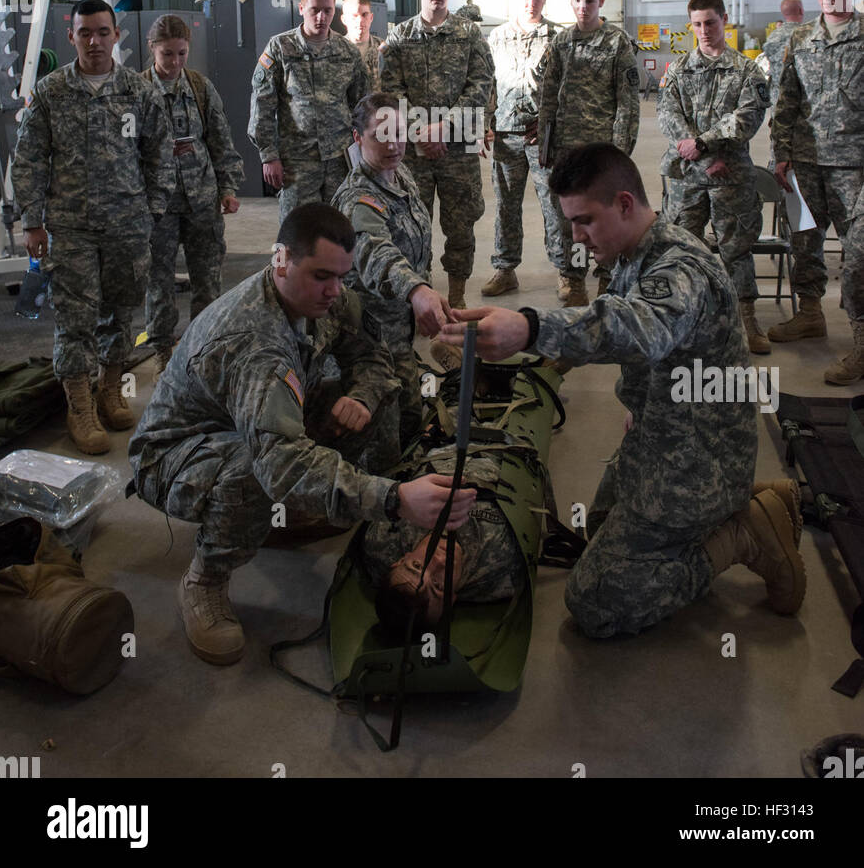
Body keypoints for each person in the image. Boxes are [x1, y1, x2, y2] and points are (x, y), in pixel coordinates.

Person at [436, 143, 805, 639]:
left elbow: (637, 327)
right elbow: (611, 325)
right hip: (664, 434)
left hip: (695, 460)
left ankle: (739, 536)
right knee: (597, 531)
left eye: (585, 220)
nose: (577, 236)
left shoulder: (679, 269)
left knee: (594, 602)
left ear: (625, 203)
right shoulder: (638, 253)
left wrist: (527, 327)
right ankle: (743, 504)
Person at [128, 203, 476, 666]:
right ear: (281, 260)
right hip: (173, 455)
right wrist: (392, 499)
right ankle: (205, 579)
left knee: (382, 397)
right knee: (258, 466)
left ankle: (296, 510)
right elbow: (280, 461)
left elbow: (373, 358)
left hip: (248, 420)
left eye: (341, 276)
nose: (334, 290)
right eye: (320, 276)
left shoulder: (323, 296)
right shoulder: (254, 344)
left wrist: (361, 397)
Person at [10, 0, 174, 454]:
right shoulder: (51, 91)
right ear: (72, 36)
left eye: (103, 32)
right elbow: (29, 160)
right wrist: (32, 222)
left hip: (127, 224)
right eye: (86, 33)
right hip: (71, 226)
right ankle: (79, 404)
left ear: (116, 35)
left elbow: (159, 153)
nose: (95, 41)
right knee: (75, 319)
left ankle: (109, 389)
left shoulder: (138, 92)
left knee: (121, 312)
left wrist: (153, 210)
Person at [332, 93, 454, 444]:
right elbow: (376, 254)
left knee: (411, 419)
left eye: (399, 132)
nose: (394, 144)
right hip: (370, 343)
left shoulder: (398, 174)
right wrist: (416, 291)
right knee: (383, 439)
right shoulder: (358, 199)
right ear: (358, 138)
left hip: (399, 333)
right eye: (381, 135)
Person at [657, 0, 771, 354]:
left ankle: (745, 319)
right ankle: (684, 315)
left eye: (710, 22)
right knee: (681, 248)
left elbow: (747, 119)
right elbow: (668, 115)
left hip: (730, 176)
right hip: (688, 178)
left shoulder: (746, 71)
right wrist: (701, 154)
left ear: (725, 20)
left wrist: (704, 144)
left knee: (736, 250)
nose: (704, 31)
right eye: (697, 24)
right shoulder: (678, 70)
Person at [379, 0, 493, 309]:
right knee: (413, 225)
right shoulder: (400, 36)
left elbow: (482, 83)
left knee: (461, 224)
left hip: (459, 146)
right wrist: (421, 130)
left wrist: (445, 126)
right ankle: (421, 293)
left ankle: (457, 297)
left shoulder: (469, 34)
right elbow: (390, 89)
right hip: (415, 151)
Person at [770, 0, 864, 384]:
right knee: (804, 242)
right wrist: (781, 151)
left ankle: (862, 343)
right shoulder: (802, 38)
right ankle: (810, 314)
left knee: (859, 255)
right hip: (805, 163)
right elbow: (786, 99)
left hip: (854, 167)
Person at [141, 15, 244, 376]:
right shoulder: (137, 91)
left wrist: (228, 187)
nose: (175, 62)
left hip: (202, 200)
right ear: (152, 49)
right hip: (158, 207)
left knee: (208, 277)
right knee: (159, 280)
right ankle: (163, 351)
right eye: (167, 54)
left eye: (182, 53)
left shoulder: (200, 88)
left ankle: (203, 347)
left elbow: (220, 139)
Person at [536, 0, 640, 306]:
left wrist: (620, 151)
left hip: (601, 151)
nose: (583, 8)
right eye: (578, 1)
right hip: (566, 150)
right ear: (571, 0)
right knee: (574, 223)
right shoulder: (562, 42)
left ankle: (608, 279)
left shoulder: (616, 42)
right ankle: (575, 280)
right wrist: (545, 144)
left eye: (590, 1)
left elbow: (627, 100)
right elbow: (548, 97)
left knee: (606, 217)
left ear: (601, 1)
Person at [363, 430, 531, 635]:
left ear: (399, 560)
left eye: (416, 565)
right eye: (438, 585)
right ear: (452, 599)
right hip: (506, 441)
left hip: (443, 433)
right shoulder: (505, 561)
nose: (439, 561)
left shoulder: (380, 540)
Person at [247, 0, 367, 219]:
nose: (322, 17)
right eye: (315, 10)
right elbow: (263, 106)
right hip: (297, 162)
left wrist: (364, 151)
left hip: (339, 160)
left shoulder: (348, 52)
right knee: (297, 232)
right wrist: (269, 156)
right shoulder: (280, 48)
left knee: (340, 229)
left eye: (328, 10)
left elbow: (361, 105)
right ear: (301, 9)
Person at [483, 0, 566, 297]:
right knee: (505, 205)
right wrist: (483, 124)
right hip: (505, 134)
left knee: (553, 204)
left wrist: (551, 122)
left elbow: (566, 89)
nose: (532, 1)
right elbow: (487, 83)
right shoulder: (498, 37)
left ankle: (565, 272)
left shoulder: (557, 37)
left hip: (542, 136)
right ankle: (505, 270)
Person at [761, 0, 806, 106]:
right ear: (801, 10)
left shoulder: (772, 36)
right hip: (801, 100)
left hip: (778, 98)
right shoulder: (807, 34)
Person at [341, 0, 383, 84]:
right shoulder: (335, 49)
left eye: (365, 14)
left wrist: (401, 100)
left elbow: (400, 83)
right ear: (344, 19)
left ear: (371, 17)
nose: (360, 20)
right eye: (354, 16)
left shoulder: (384, 48)